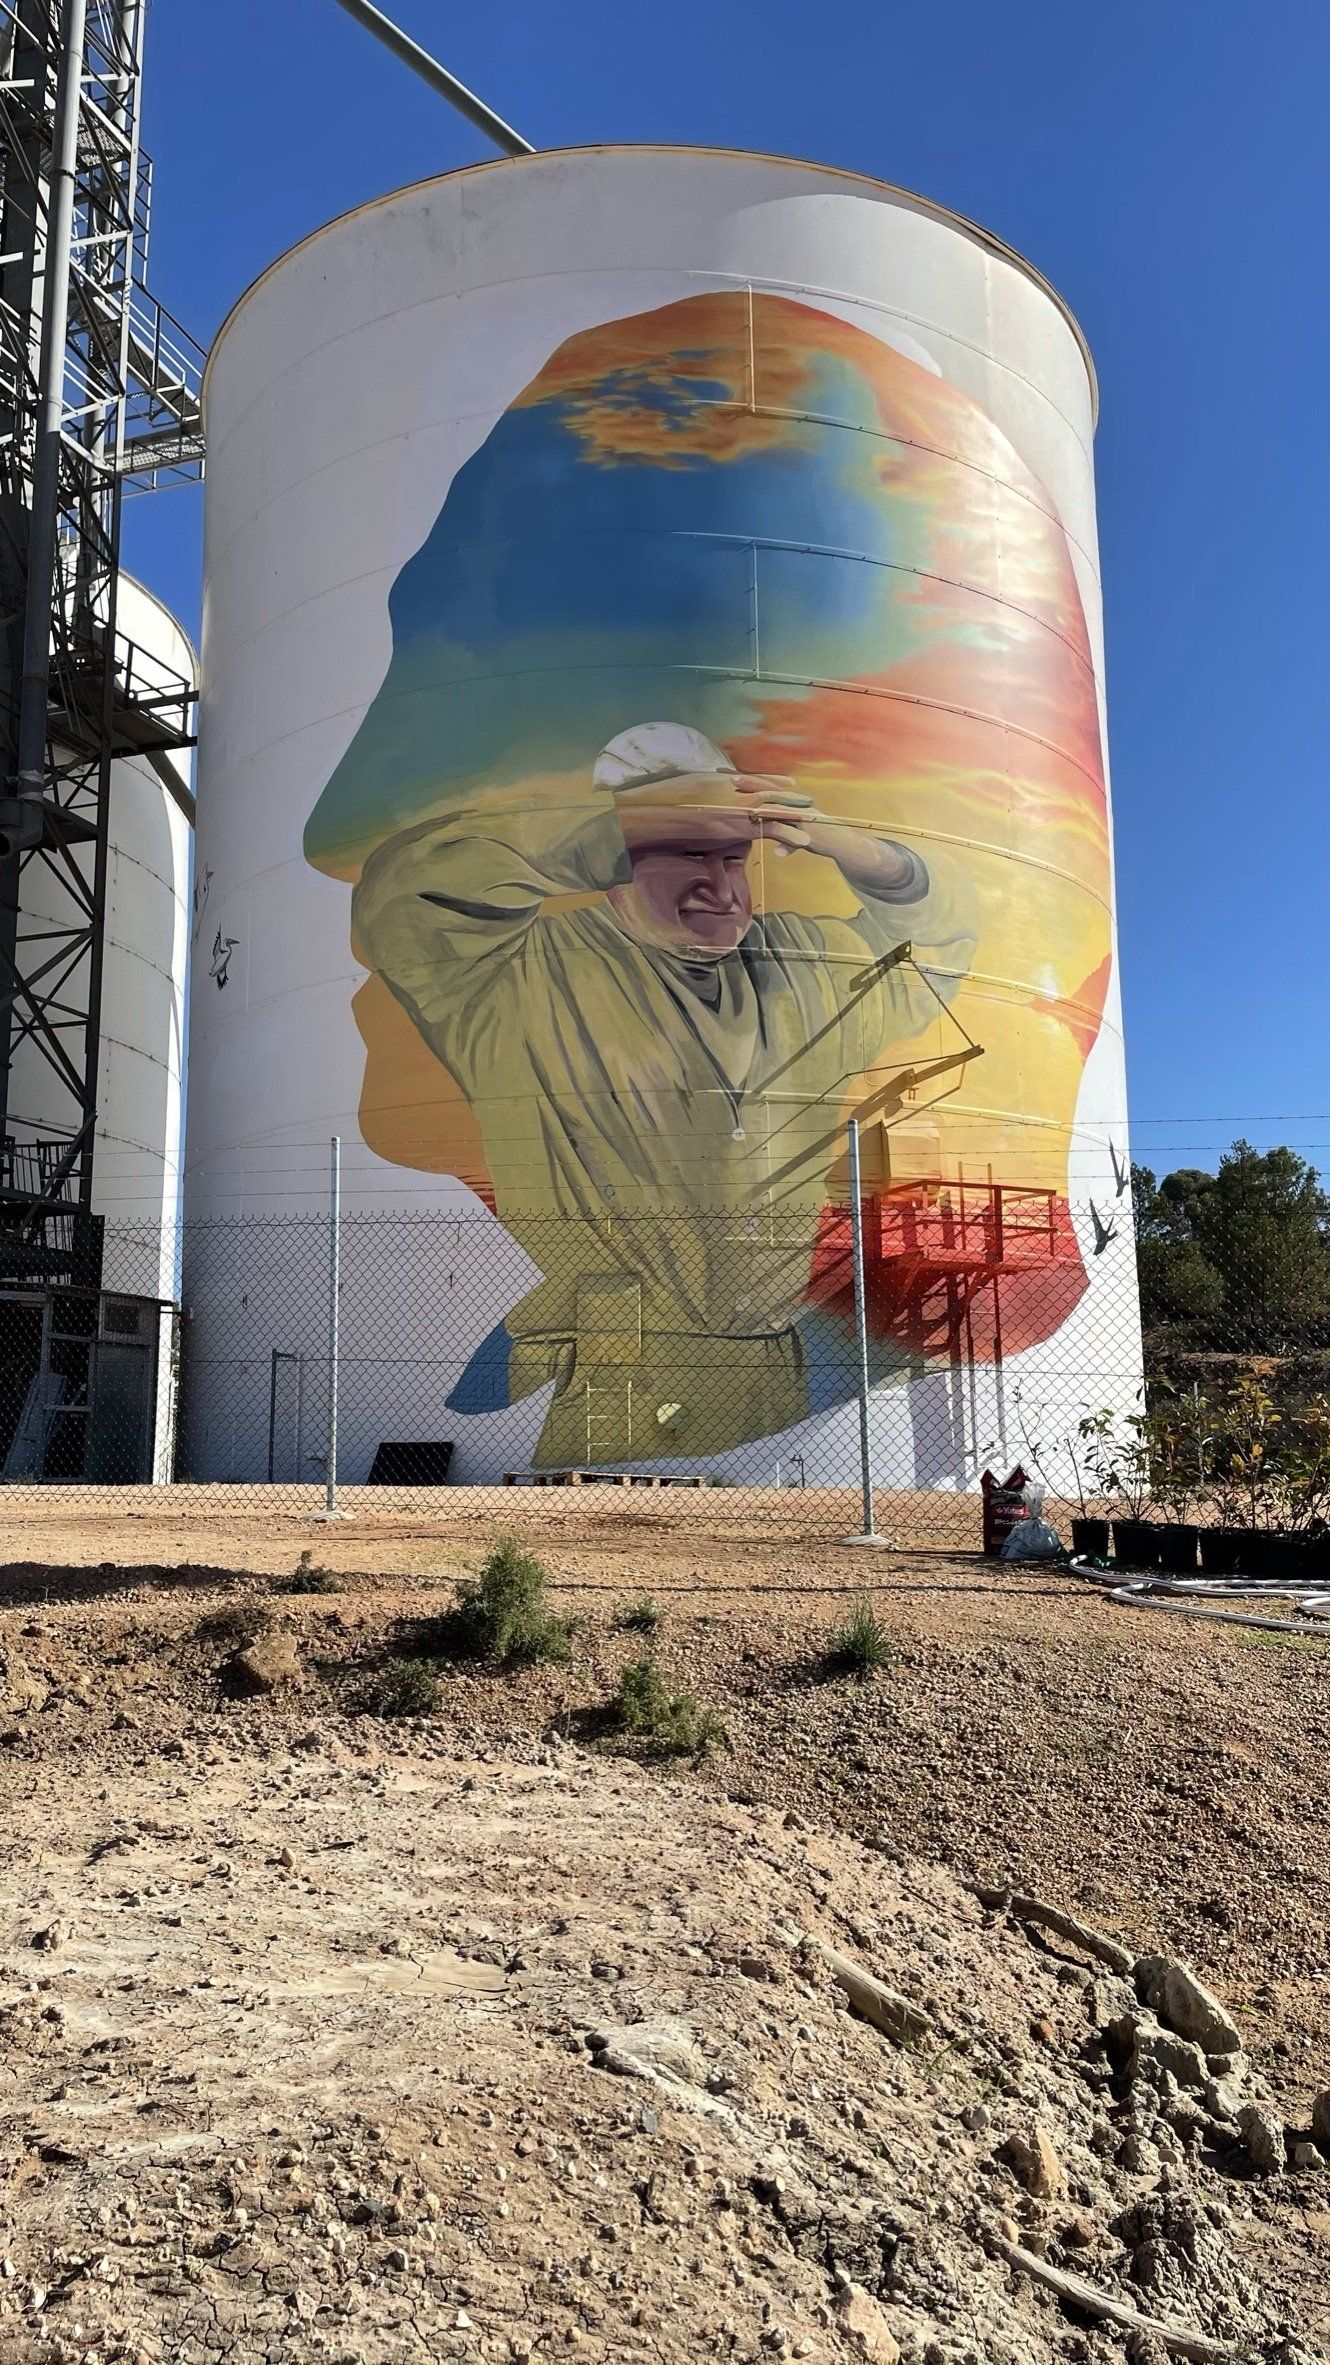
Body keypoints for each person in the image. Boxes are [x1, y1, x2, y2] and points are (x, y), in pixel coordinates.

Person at [352, 723, 976, 1465]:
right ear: (612, 858)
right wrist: (630, 825)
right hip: (609, 1370)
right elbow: (403, 895)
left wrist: (848, 846)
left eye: (734, 856)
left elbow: (940, 944)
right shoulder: (514, 978)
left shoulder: (807, 965)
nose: (720, 885)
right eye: (684, 854)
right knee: (601, 1528)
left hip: (768, 1381)